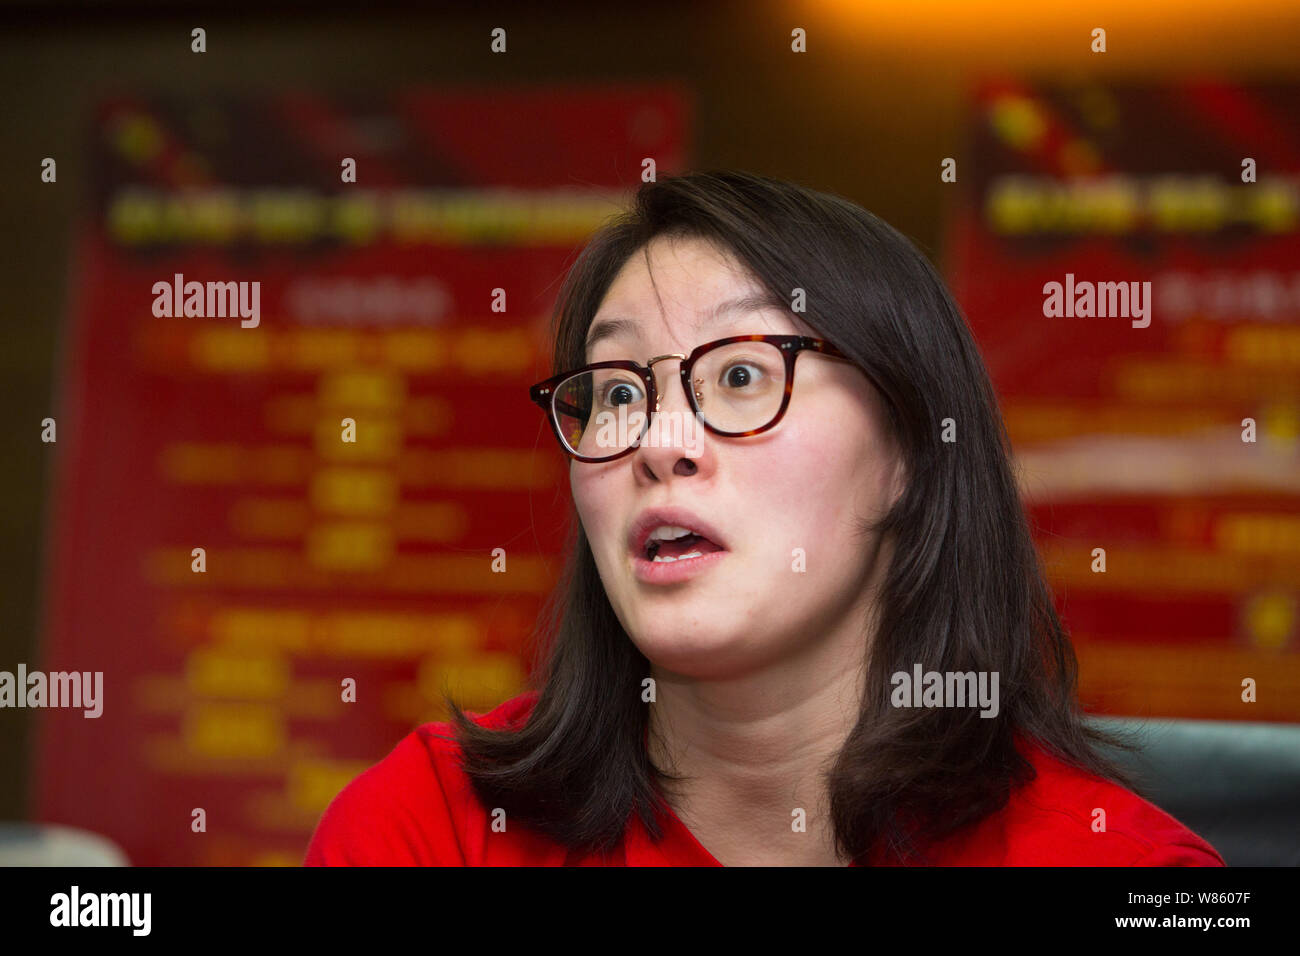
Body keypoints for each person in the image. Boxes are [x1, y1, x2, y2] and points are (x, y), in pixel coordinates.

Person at [305, 170, 1225, 866]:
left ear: (909, 449)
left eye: (740, 375)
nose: (660, 442)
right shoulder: (433, 829)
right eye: (619, 392)